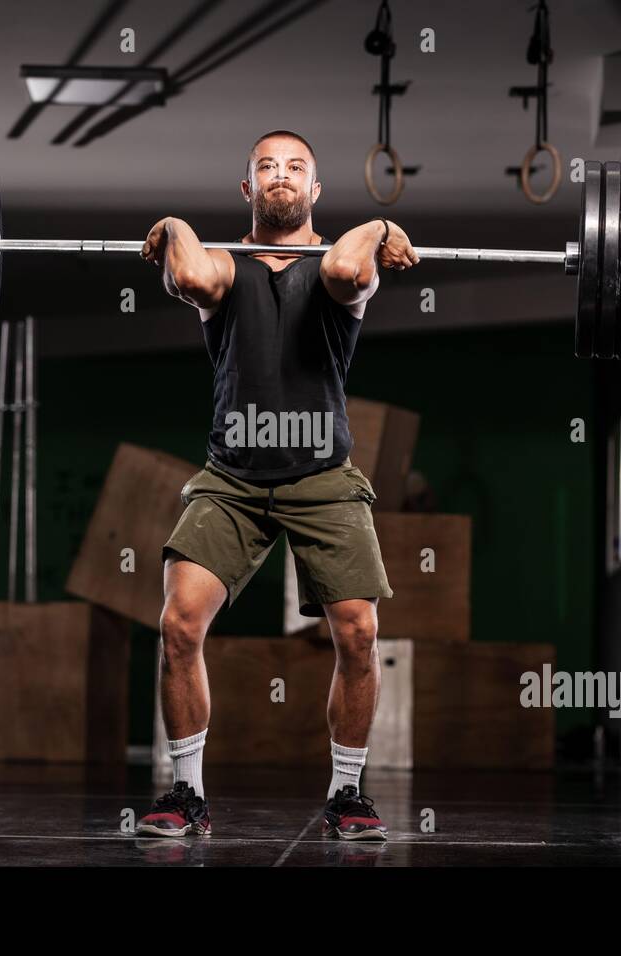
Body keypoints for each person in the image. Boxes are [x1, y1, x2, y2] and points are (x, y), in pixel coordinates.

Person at [135, 130, 418, 841]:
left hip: (323, 476)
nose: (280, 177)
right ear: (248, 188)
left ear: (316, 190)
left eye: (296, 169)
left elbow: (350, 272)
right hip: (231, 478)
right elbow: (193, 277)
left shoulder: (341, 269)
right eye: (267, 168)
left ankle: (347, 795)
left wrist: (380, 225)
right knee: (177, 625)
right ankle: (187, 794)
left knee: (359, 631)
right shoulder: (223, 271)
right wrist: (172, 225)